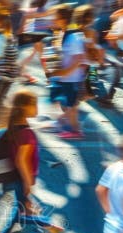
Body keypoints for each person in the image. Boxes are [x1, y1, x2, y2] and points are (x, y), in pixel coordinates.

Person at [0, 89, 64, 233]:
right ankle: (46, 224)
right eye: (34, 104)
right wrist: (28, 181)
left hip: (11, 175)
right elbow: (21, 160)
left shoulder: (14, 127)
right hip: (19, 177)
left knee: (21, 207)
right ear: (24, 107)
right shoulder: (26, 133)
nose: (37, 108)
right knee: (18, 211)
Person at [46, 3, 87, 139]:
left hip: (72, 78)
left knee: (71, 106)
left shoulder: (73, 37)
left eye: (55, 17)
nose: (52, 20)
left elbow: (78, 59)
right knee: (68, 105)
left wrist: (62, 73)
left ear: (63, 19)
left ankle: (76, 131)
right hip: (66, 78)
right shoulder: (63, 34)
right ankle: (64, 124)